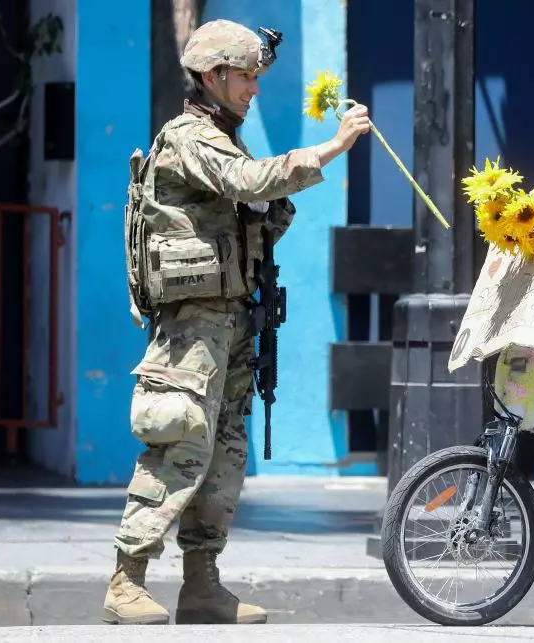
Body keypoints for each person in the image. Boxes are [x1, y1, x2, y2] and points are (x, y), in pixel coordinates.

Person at [104, 19, 370, 625]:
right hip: (193, 327)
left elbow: (256, 210)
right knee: (179, 441)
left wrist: (271, 213)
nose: (254, 88)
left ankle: (201, 584)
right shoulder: (189, 138)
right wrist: (330, 148)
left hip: (231, 321)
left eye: (256, 76)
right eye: (245, 76)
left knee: (225, 454)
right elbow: (246, 182)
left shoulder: (226, 137)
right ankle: (126, 581)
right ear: (212, 76)